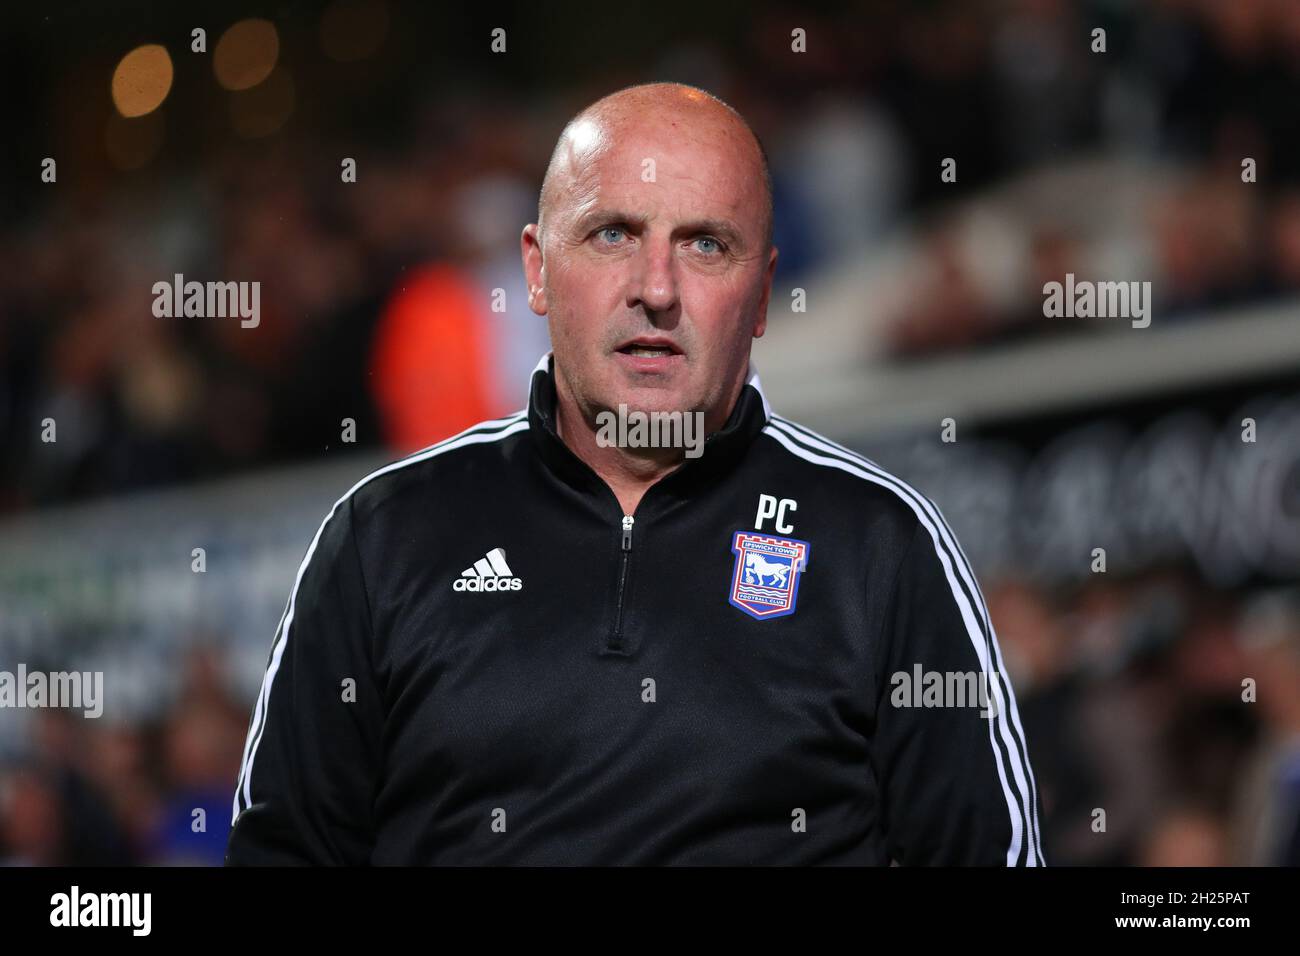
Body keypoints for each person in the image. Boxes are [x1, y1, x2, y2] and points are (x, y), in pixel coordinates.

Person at [227, 82, 1044, 865]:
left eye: (705, 244)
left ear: (761, 296)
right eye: (613, 234)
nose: (656, 289)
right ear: (538, 271)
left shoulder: (880, 546)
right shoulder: (384, 538)